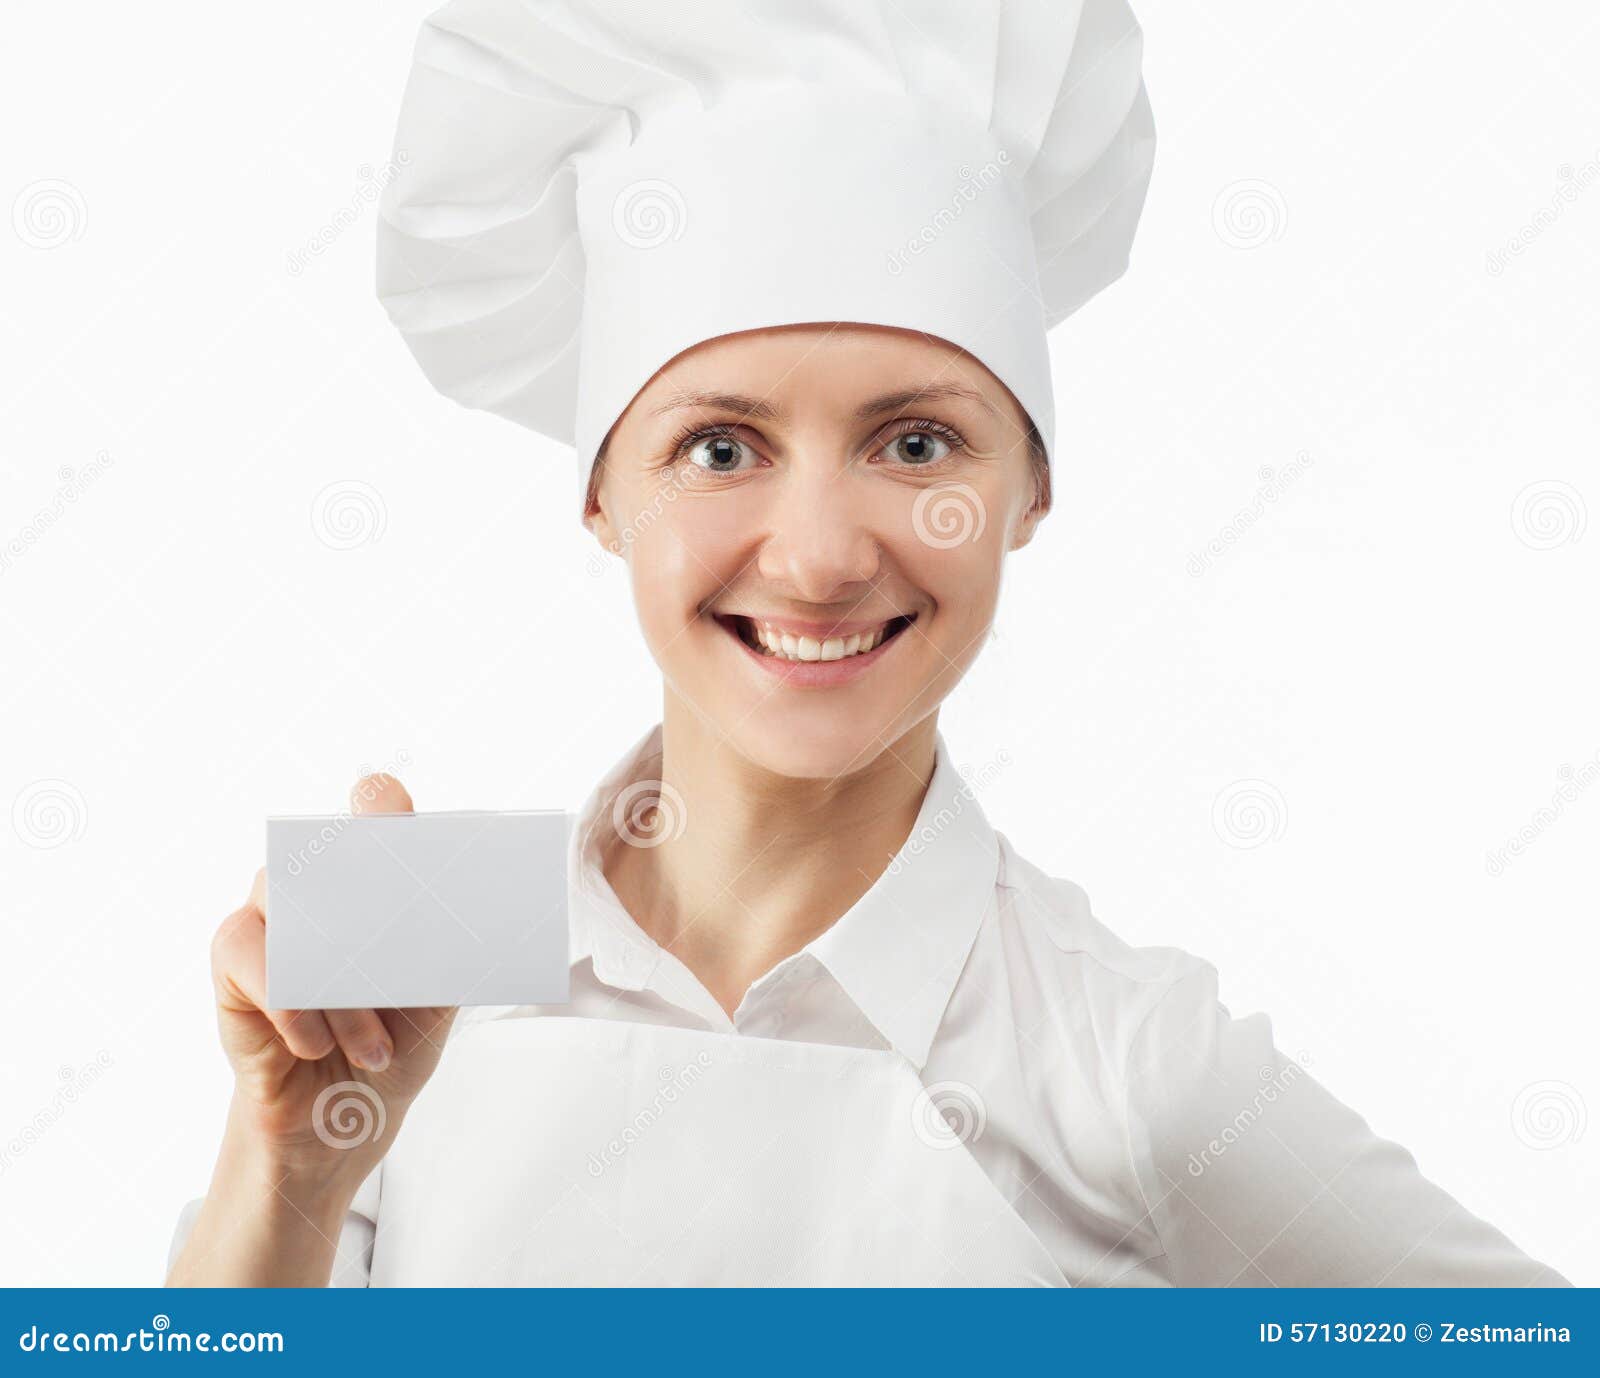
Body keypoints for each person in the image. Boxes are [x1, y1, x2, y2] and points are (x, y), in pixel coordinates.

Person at [166, 0, 1570, 1286]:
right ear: (603, 495)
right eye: (721, 446)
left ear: (1029, 486)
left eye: (917, 442)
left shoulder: (1132, 1066)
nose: (823, 554)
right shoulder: (416, 961)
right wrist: (288, 1164)